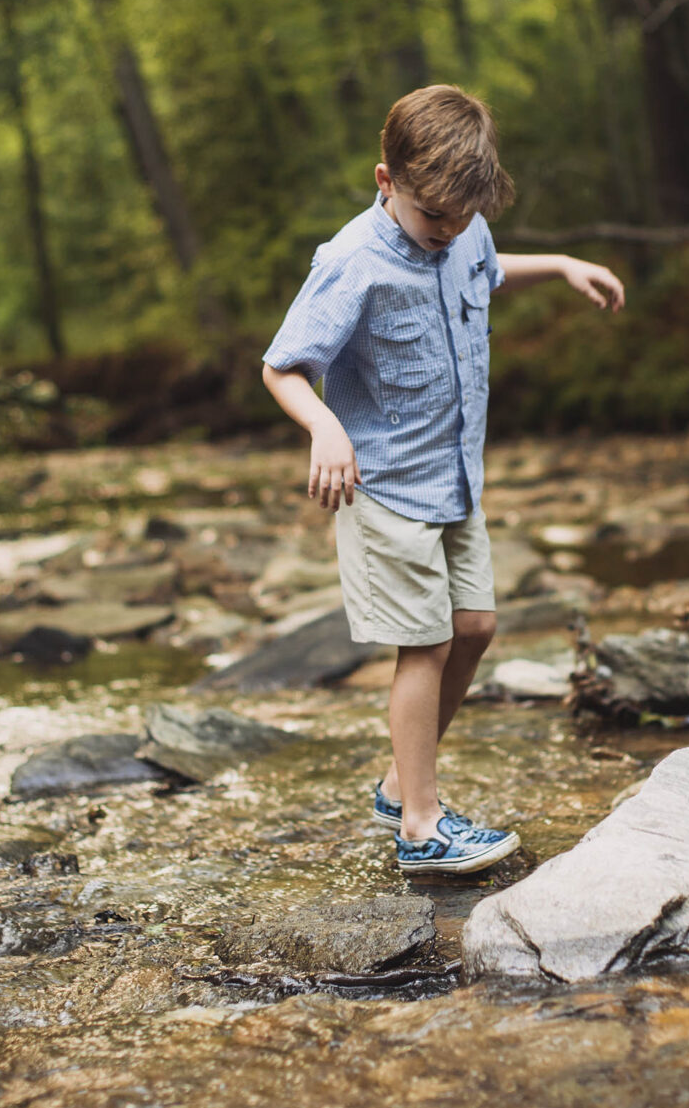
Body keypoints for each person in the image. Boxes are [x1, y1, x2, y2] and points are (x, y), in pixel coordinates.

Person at [260, 85, 625, 875]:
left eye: (461, 221)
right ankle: (421, 829)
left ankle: (402, 782)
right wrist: (324, 425)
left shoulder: (462, 224)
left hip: (456, 478)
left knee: (476, 627)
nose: (446, 236)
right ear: (385, 181)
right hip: (386, 485)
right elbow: (282, 366)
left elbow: (487, 267)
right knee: (422, 644)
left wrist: (560, 264)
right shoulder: (351, 261)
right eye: (432, 220)